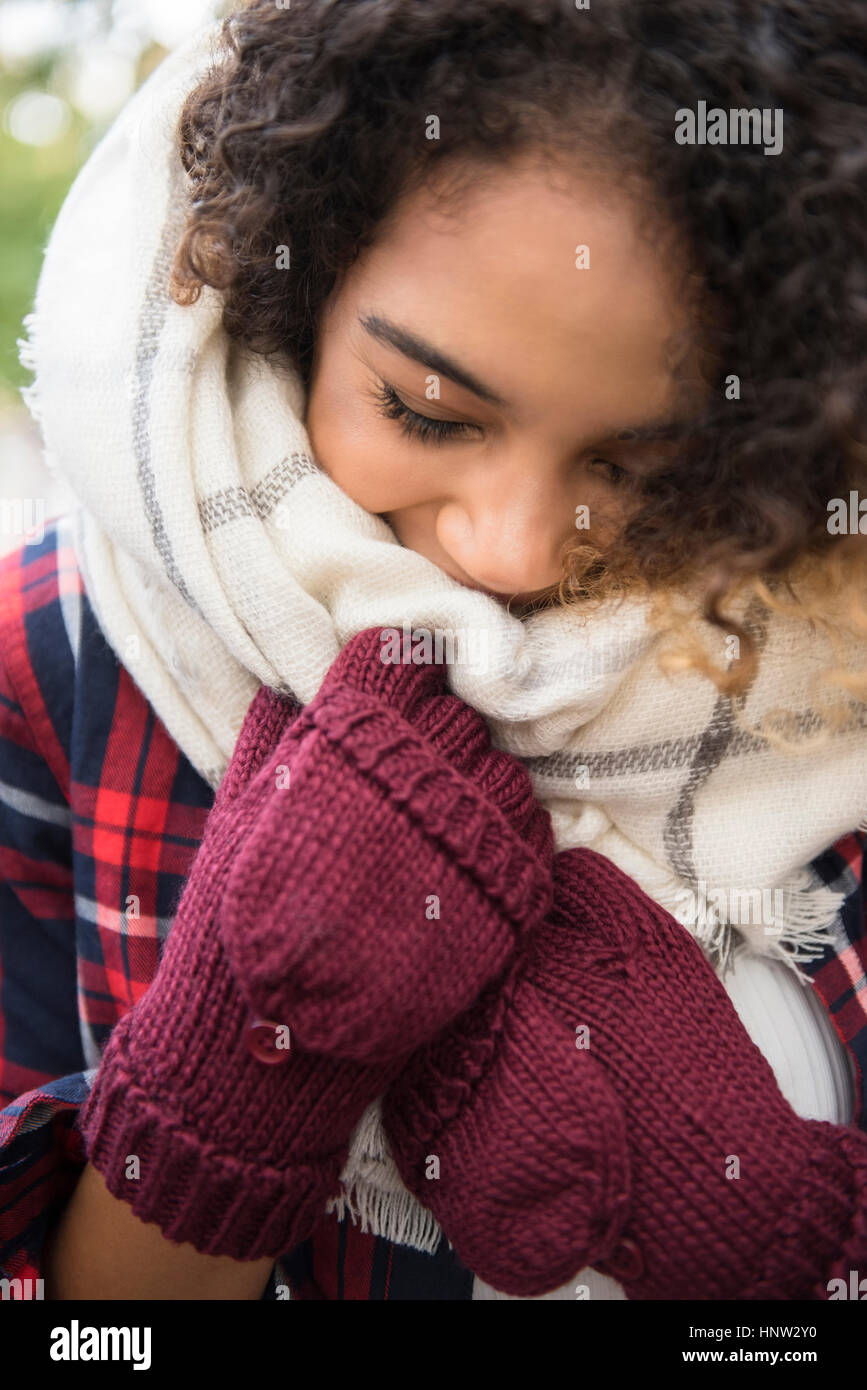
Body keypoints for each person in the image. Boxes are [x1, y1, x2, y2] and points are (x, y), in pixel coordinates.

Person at [1, 0, 866, 1301]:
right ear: (298, 285)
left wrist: (782, 1241)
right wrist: (232, 1088)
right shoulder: (62, 653)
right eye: (424, 408)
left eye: (638, 465)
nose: (511, 550)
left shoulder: (836, 671)